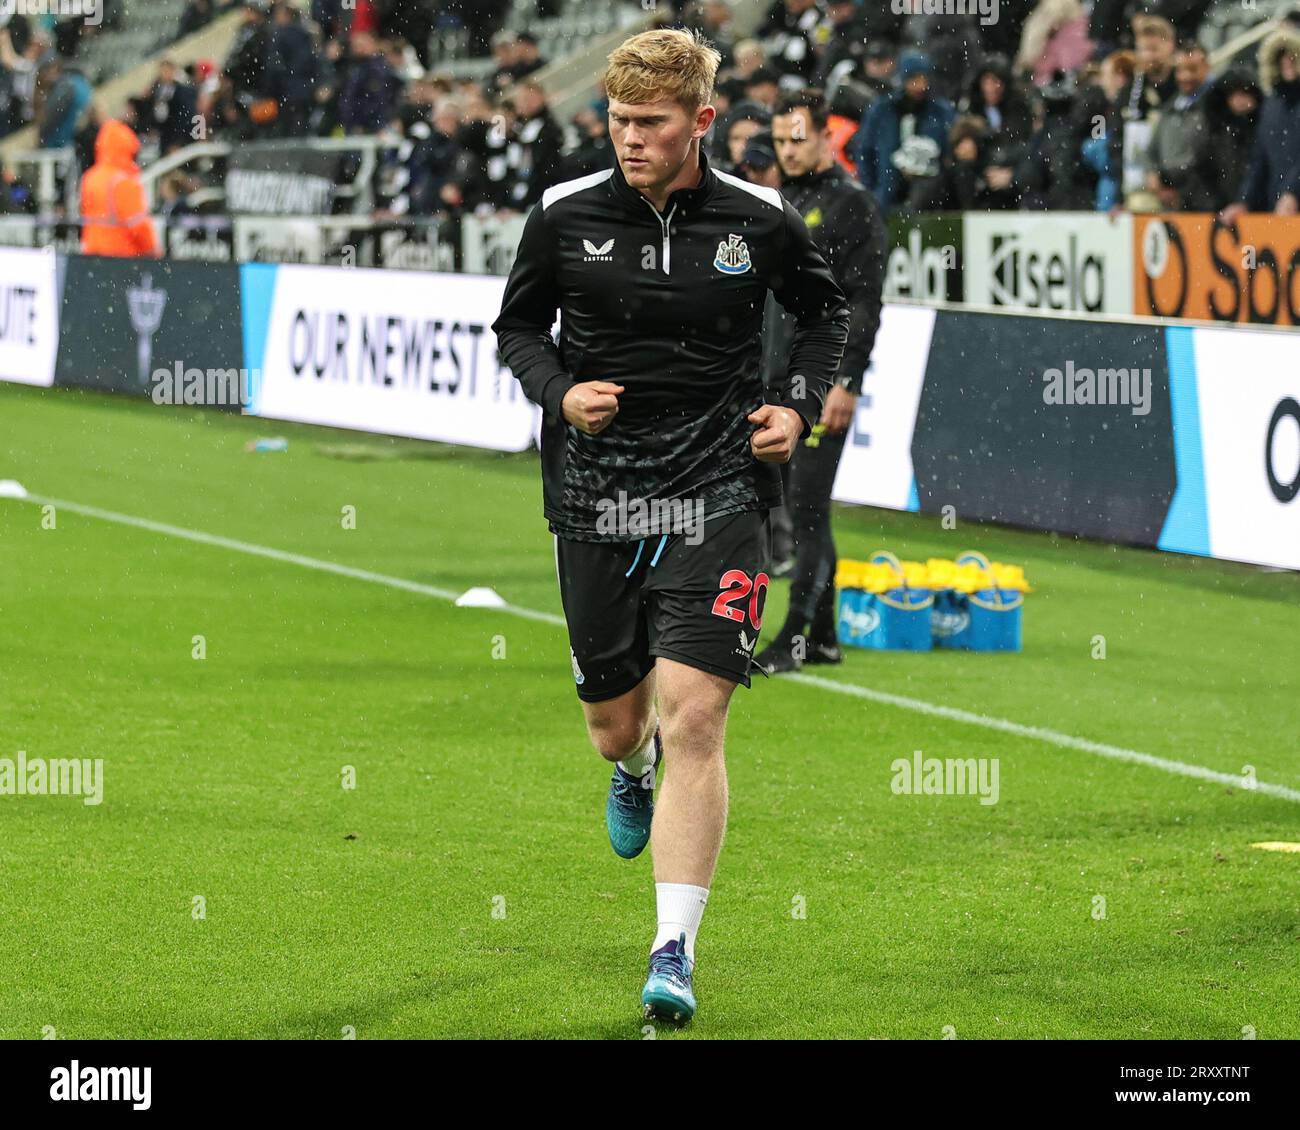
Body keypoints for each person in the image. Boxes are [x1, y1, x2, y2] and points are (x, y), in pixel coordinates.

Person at [491, 27, 848, 1026]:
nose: (629, 139)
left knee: (697, 714)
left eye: (649, 123)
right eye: (616, 121)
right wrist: (559, 393)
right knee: (621, 721)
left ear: (699, 120)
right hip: (597, 495)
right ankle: (628, 767)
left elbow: (822, 313)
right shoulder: (562, 214)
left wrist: (797, 397)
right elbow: (517, 329)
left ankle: (673, 948)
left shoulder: (760, 218)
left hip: (716, 494)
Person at [755, 88, 884, 674]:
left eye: (796, 138)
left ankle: (794, 638)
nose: (786, 149)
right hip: (776, 376)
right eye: (780, 139)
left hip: (819, 379)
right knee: (803, 508)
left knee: (805, 508)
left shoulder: (851, 206)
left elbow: (863, 302)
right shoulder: (778, 198)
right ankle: (826, 634)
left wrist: (846, 379)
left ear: (827, 137)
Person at [80, 119, 160, 258]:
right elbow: (138, 225)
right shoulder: (123, 181)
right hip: (122, 259)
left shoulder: (90, 178)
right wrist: (153, 251)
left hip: (92, 256)